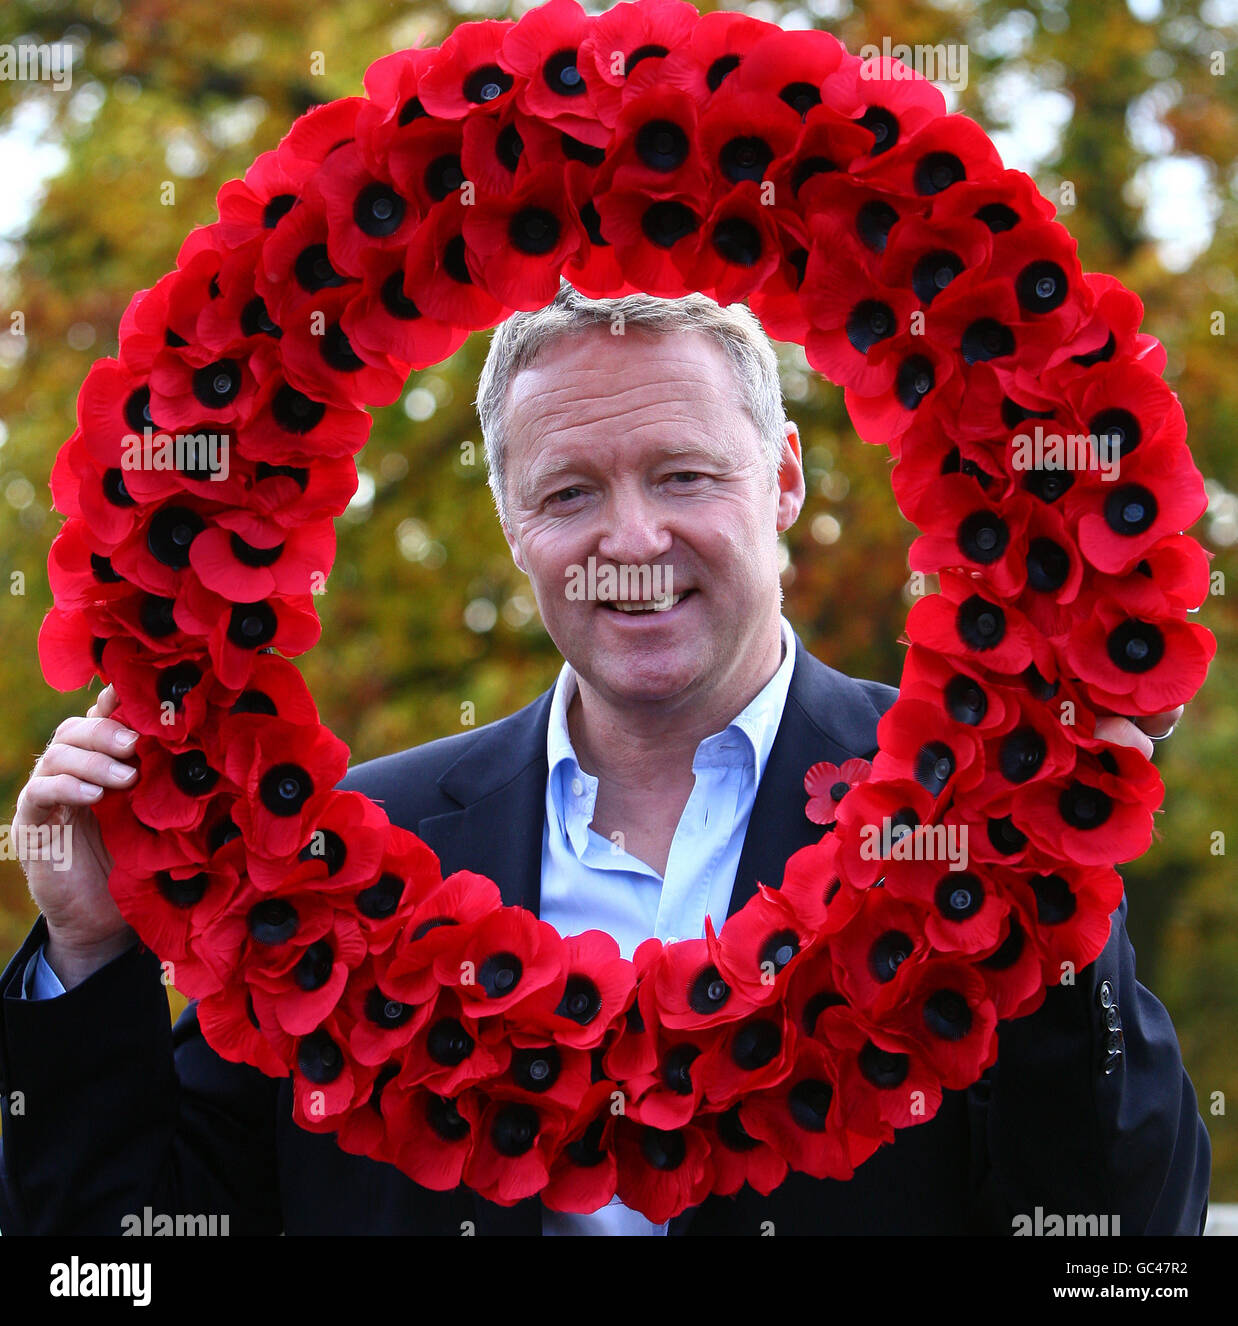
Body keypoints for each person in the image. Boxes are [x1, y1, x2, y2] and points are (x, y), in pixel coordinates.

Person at [0, 283, 1206, 1235]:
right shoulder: (342, 848)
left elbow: (1114, 1246)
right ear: (511, 521)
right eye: (570, 492)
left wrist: (1052, 899)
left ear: (782, 476)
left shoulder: (972, 813)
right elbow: (122, 1261)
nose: (632, 540)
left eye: (683, 475)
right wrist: (91, 954)